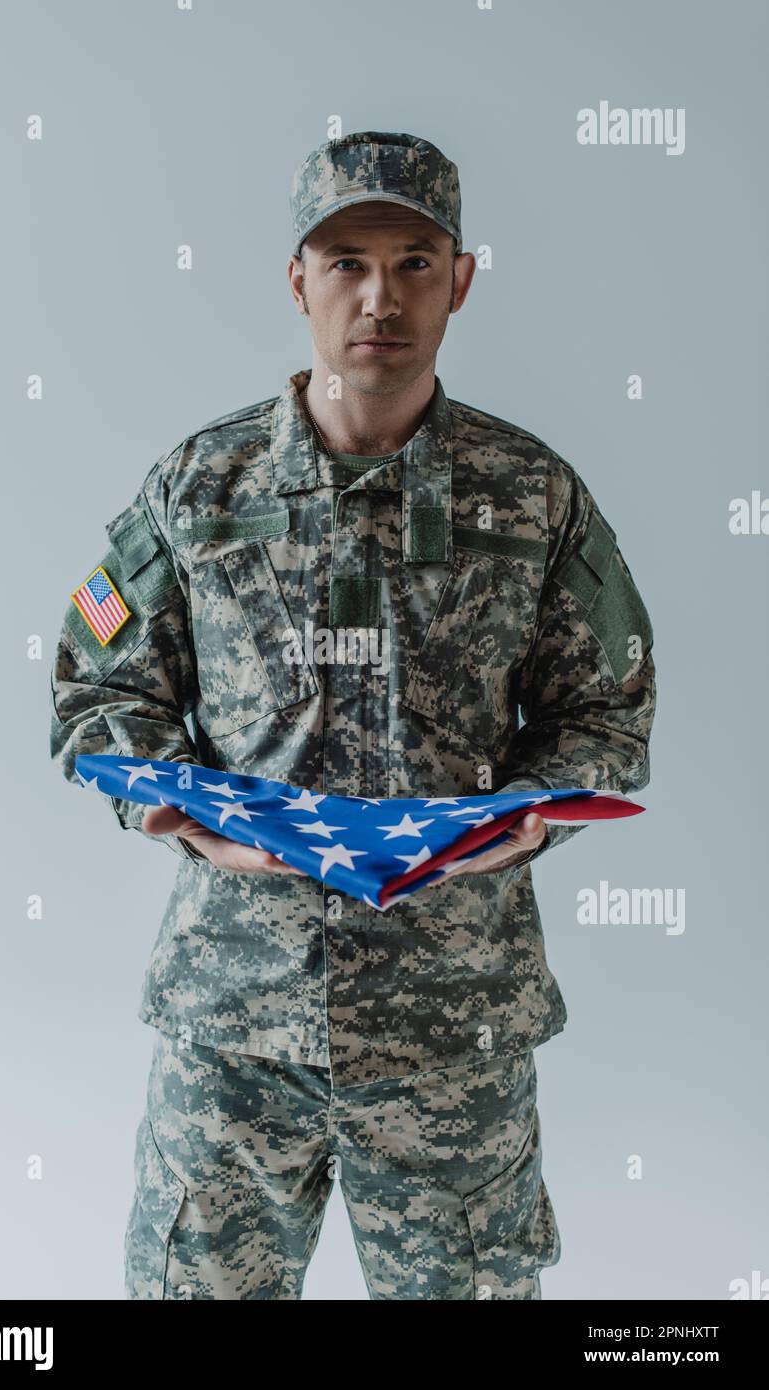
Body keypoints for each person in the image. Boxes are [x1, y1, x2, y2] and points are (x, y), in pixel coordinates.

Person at [49, 131, 656, 1300]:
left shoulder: (529, 495)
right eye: (347, 261)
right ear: (299, 279)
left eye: (416, 262)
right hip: (236, 1015)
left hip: (453, 1025)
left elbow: (605, 706)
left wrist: (527, 819)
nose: (381, 295)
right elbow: (99, 688)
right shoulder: (202, 486)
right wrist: (181, 816)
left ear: (461, 279)